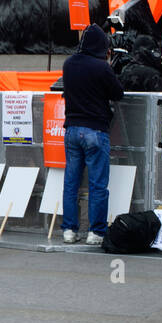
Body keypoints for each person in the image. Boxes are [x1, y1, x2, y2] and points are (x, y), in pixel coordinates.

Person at [57, 23, 124, 244]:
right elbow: (118, 93)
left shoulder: (68, 64)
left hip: (72, 130)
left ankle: (69, 230)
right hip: (95, 130)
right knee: (97, 184)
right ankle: (95, 232)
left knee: (71, 182)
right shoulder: (101, 67)